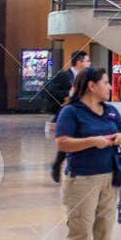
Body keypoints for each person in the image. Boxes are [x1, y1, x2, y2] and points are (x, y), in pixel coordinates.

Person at [54, 65, 121, 240]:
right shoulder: (71, 112)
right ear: (91, 85)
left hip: (110, 176)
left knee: (104, 230)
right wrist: (91, 141)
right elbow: (63, 143)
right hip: (82, 179)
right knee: (80, 231)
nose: (110, 87)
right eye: (106, 82)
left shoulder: (110, 111)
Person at [45, 49, 90, 183]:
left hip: (83, 113)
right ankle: (58, 165)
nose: (89, 63)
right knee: (69, 140)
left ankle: (72, 167)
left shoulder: (87, 77)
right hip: (68, 113)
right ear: (79, 62)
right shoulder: (64, 76)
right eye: (87, 61)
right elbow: (48, 90)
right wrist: (68, 93)